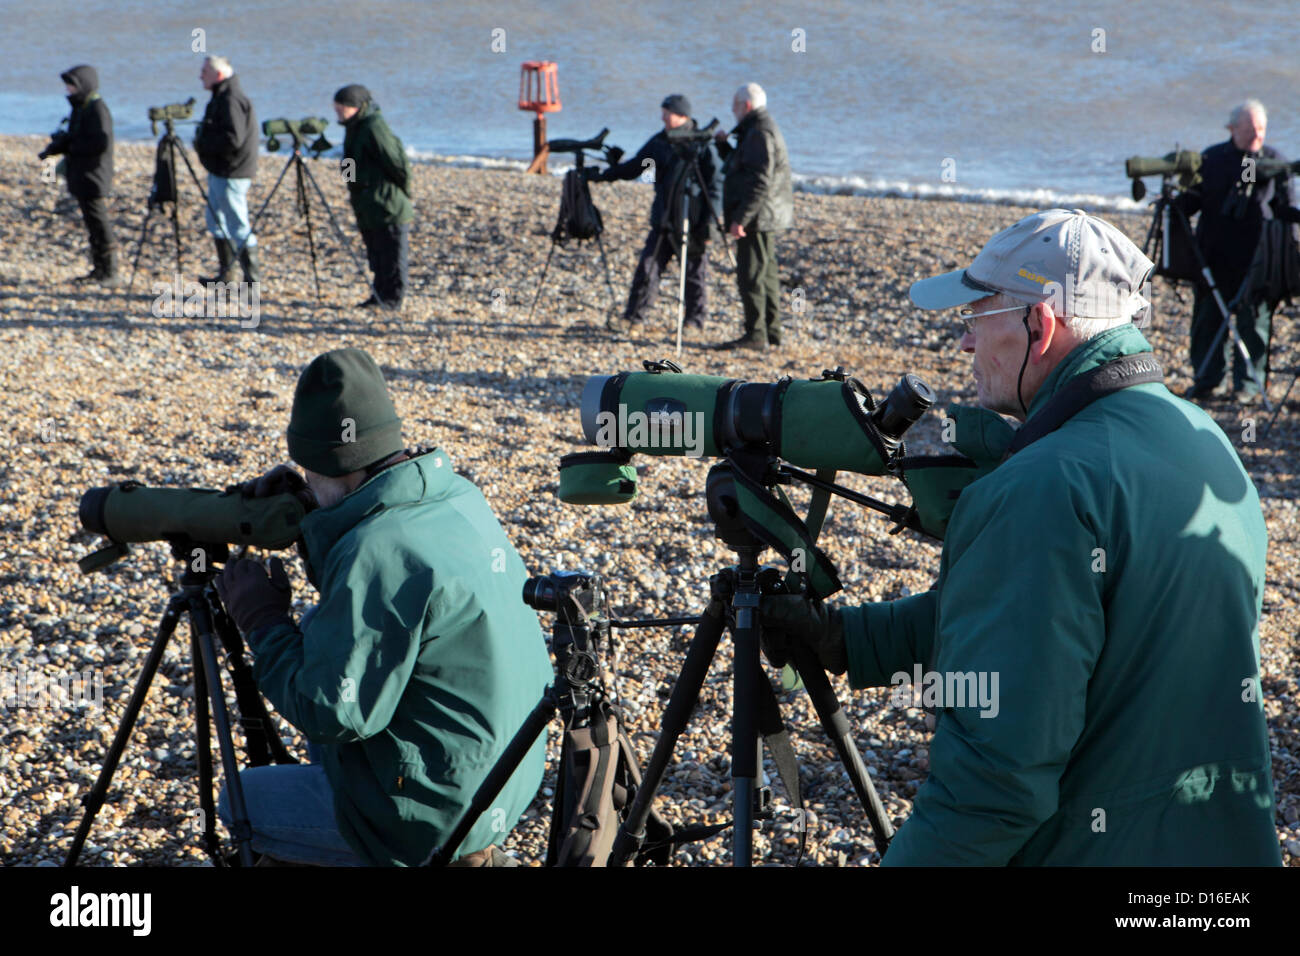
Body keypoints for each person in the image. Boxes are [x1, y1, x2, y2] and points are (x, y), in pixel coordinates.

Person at [760, 209, 1281, 865]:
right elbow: (1066, 629)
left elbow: (994, 785)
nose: (965, 346)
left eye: (977, 320)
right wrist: (849, 642)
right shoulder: (1203, 441)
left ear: (1042, 324)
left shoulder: (1045, 486)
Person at [214, 347, 552, 866]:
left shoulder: (377, 549)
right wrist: (313, 517)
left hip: (433, 817)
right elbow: (380, 595)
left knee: (240, 799)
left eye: (310, 472)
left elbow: (331, 712)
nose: (306, 481)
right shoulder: (455, 495)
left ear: (335, 468)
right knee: (323, 632)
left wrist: (261, 622)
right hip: (503, 783)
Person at [1178, 99, 1294, 405]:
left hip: (1260, 259)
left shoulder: (1275, 161)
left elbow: (1287, 209)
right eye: (1250, 127)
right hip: (1213, 256)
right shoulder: (1213, 159)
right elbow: (1189, 202)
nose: (1257, 133)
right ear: (1232, 128)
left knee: (1253, 323)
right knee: (1207, 320)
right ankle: (1207, 380)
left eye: (1262, 128)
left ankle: (1248, 385)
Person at [595, 94, 720, 336]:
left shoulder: (702, 143)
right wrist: (607, 174)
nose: (662, 117)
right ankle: (633, 318)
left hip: (692, 222)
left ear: (683, 115)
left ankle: (694, 323)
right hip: (663, 219)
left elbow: (716, 186)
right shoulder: (660, 142)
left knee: (694, 274)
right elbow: (637, 166)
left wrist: (709, 225)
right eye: (663, 112)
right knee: (647, 268)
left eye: (667, 113)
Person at [713, 82, 793, 350]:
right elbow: (744, 167)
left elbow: (760, 180)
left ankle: (756, 334)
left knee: (752, 274)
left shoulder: (759, 131)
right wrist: (725, 148)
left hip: (759, 216)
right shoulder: (757, 129)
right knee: (765, 272)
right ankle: (771, 333)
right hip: (765, 214)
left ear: (745, 106)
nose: (732, 111)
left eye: (734, 106)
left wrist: (741, 219)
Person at [333, 85, 413, 310]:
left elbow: (397, 162)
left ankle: (393, 299)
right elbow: (348, 163)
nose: (338, 112)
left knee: (393, 252)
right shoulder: (352, 127)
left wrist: (403, 191)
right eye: (337, 108)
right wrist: (352, 185)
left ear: (357, 107)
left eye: (342, 108)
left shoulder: (373, 126)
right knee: (376, 253)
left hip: (387, 202)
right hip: (367, 203)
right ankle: (378, 295)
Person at [38, 65, 119, 284]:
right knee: (92, 224)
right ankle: (99, 269)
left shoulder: (97, 108)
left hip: (94, 176)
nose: (68, 90)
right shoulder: (80, 108)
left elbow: (99, 143)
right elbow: (75, 136)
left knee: (98, 222)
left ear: (84, 85)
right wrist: (57, 147)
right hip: (82, 175)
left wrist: (72, 147)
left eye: (72, 86)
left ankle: (110, 271)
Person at [193, 55, 260, 284]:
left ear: (219, 75)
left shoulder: (231, 99)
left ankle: (252, 282)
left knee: (238, 224)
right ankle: (227, 277)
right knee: (216, 221)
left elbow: (234, 139)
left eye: (204, 72)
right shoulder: (221, 96)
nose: (200, 76)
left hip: (232, 172)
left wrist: (203, 144)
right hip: (221, 170)